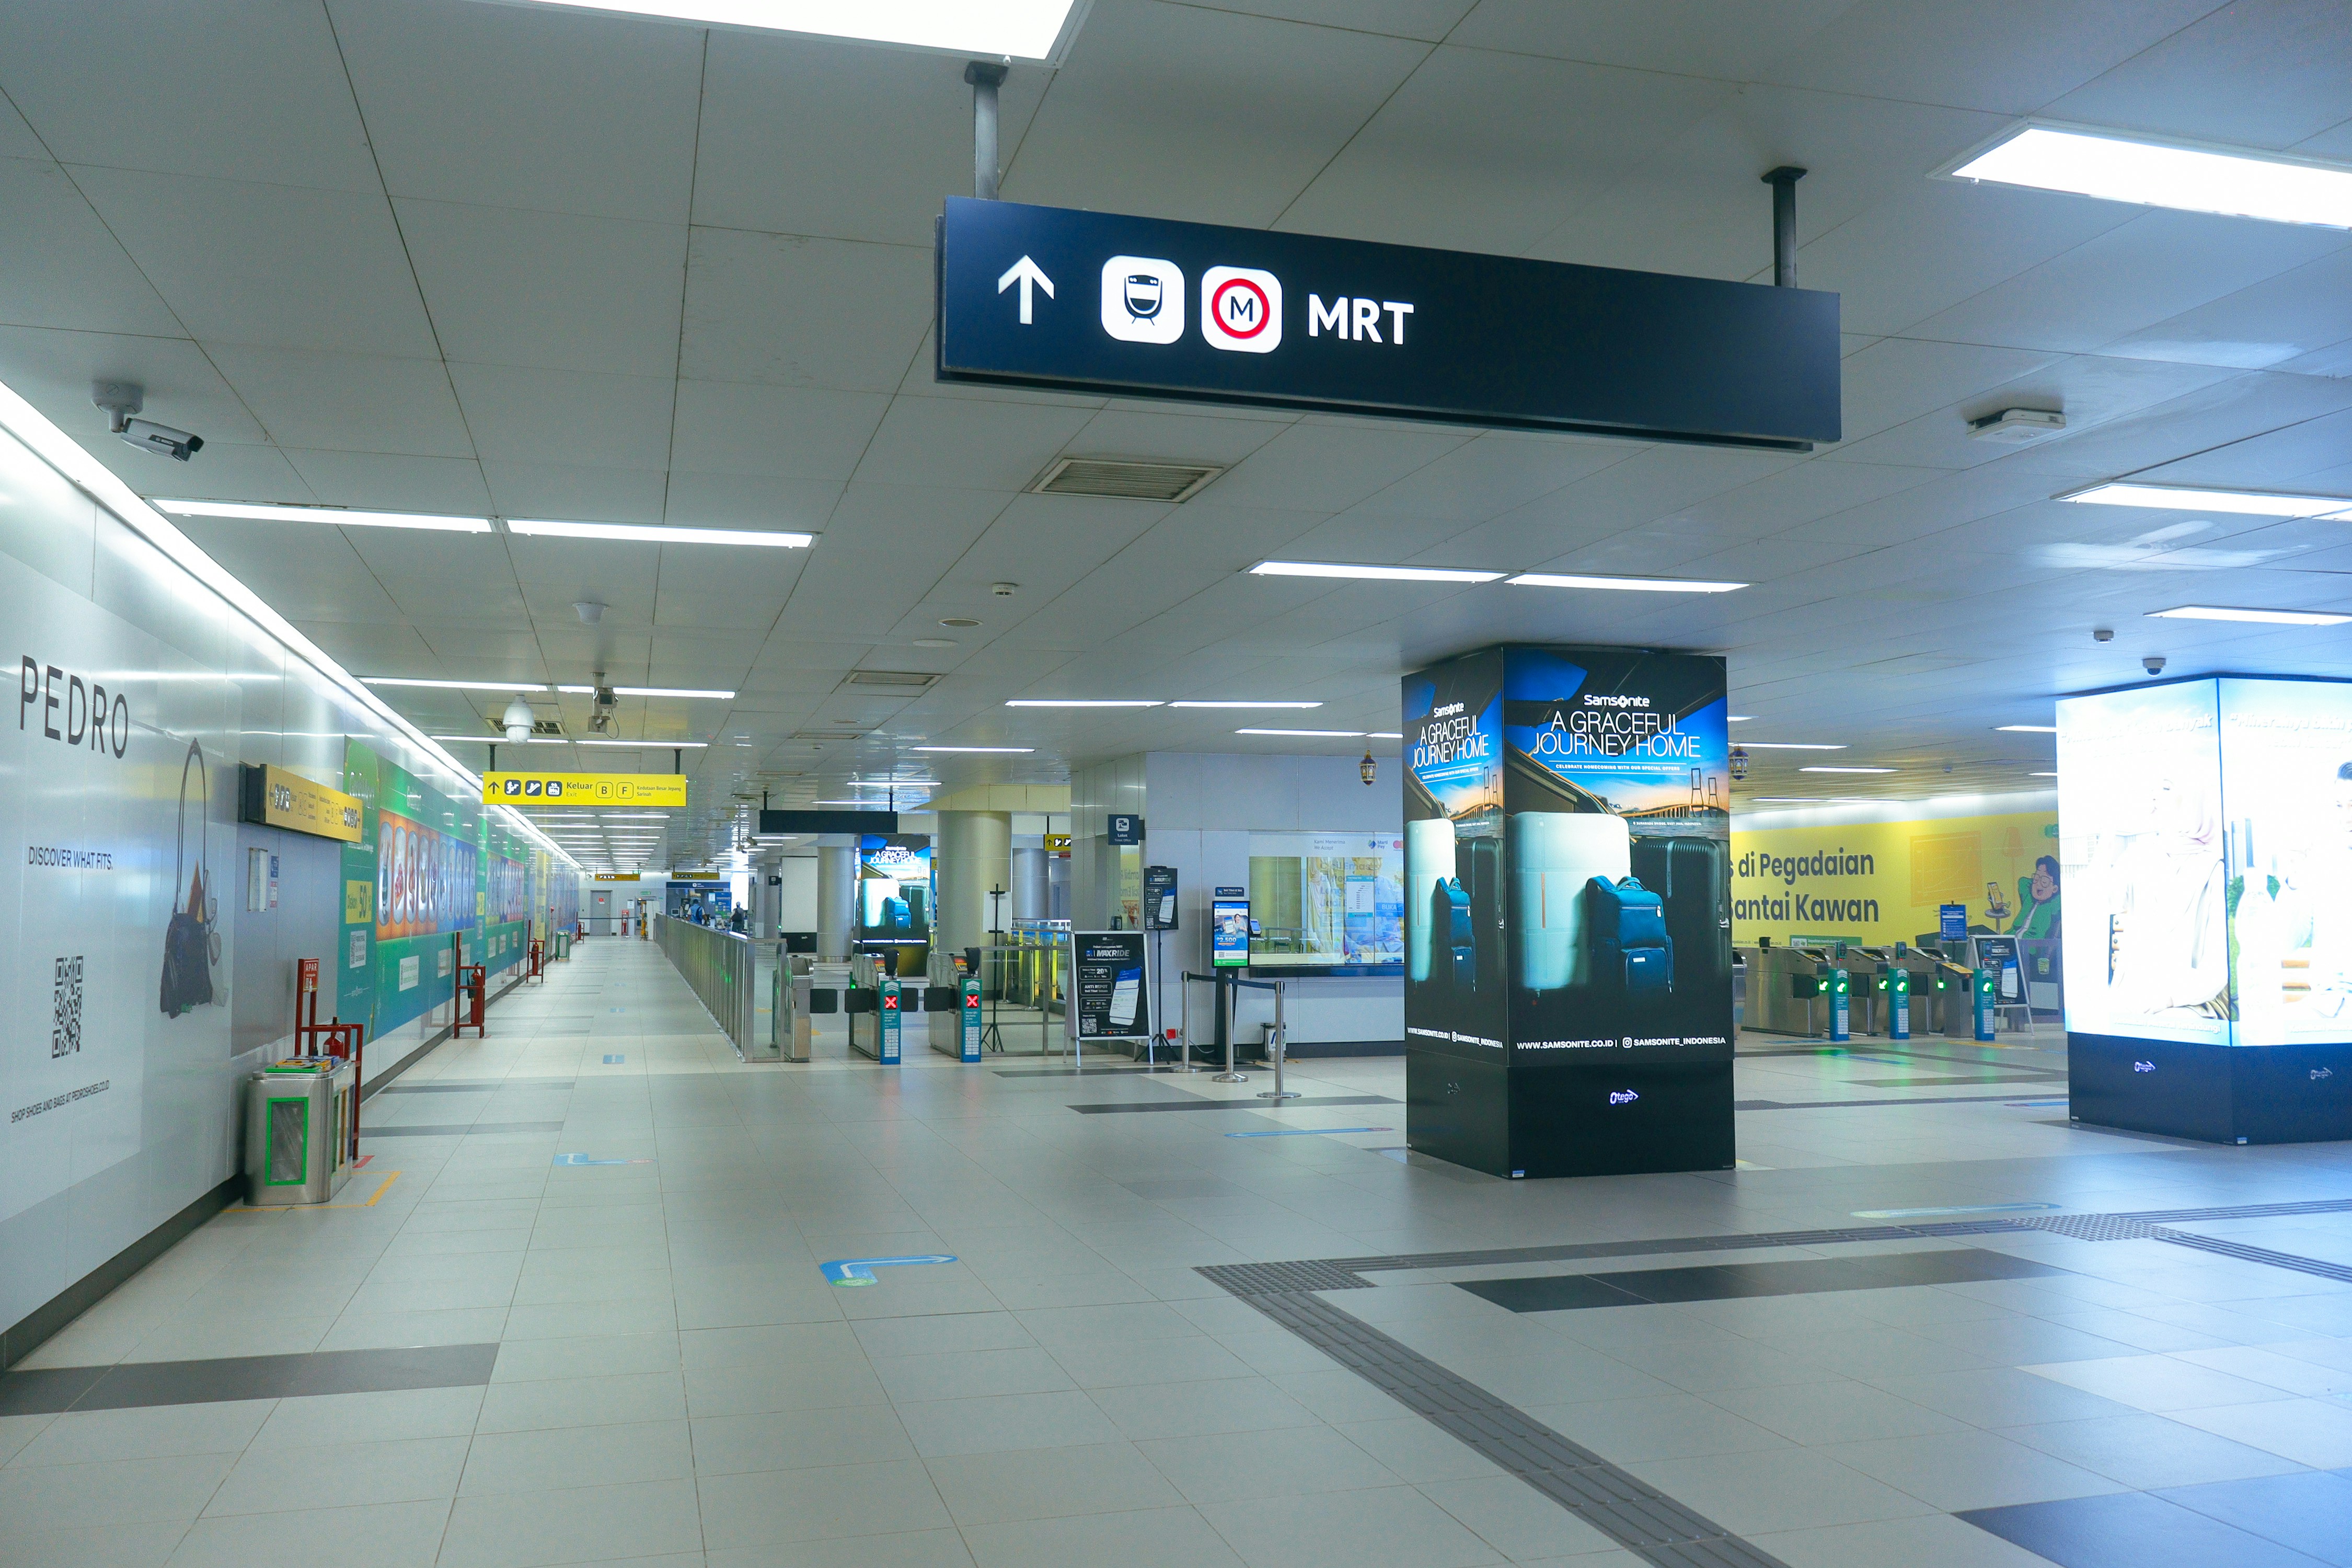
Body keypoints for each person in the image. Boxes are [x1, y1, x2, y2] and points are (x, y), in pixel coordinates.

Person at [2009, 855, 2061, 938]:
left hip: (2029, 945)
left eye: (2044, 881)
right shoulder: (2029, 898)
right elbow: (2023, 881)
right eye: (2036, 878)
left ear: (2055, 889)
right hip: (2011, 939)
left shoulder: (2053, 905)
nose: (2038, 884)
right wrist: (2038, 879)